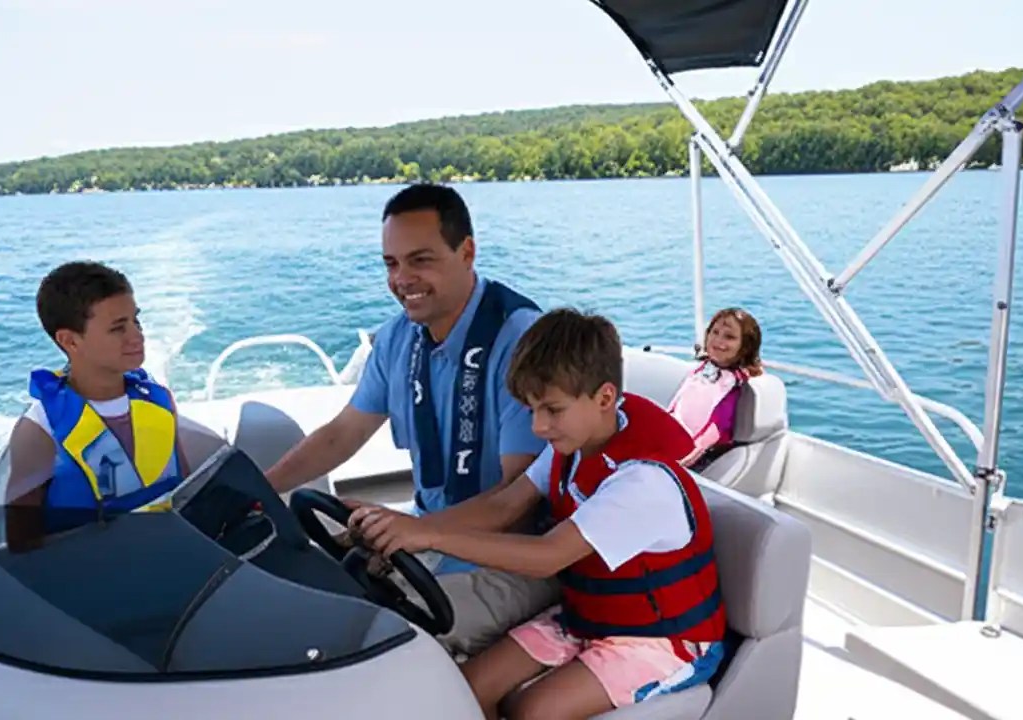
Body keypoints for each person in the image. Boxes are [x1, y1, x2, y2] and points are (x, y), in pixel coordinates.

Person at [353, 308, 727, 719]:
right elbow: (504, 505)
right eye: (532, 410)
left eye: (552, 410)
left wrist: (430, 537)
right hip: (588, 617)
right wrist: (407, 526)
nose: (537, 426)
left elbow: (547, 556)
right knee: (469, 687)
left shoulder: (642, 482)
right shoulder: (572, 449)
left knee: (533, 711)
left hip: (662, 641)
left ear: (603, 398)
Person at [264, 183, 558, 655]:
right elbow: (343, 434)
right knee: (307, 603)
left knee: (384, 645)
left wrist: (420, 535)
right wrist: (258, 488)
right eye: (391, 263)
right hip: (428, 538)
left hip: (512, 559)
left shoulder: (525, 342)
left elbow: (516, 500)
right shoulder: (399, 337)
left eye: (420, 260)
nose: (403, 279)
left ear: (467, 252)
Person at [5, 261, 190, 550]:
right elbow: (23, 544)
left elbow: (187, 492)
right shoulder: (39, 431)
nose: (136, 335)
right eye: (118, 328)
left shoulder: (160, 401)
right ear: (70, 341)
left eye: (136, 321)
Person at [667, 307, 764, 473]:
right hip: (676, 440)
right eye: (715, 332)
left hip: (702, 455)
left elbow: (715, 430)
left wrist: (681, 460)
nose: (718, 340)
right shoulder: (701, 370)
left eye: (729, 337)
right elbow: (676, 406)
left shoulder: (733, 384)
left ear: (746, 346)